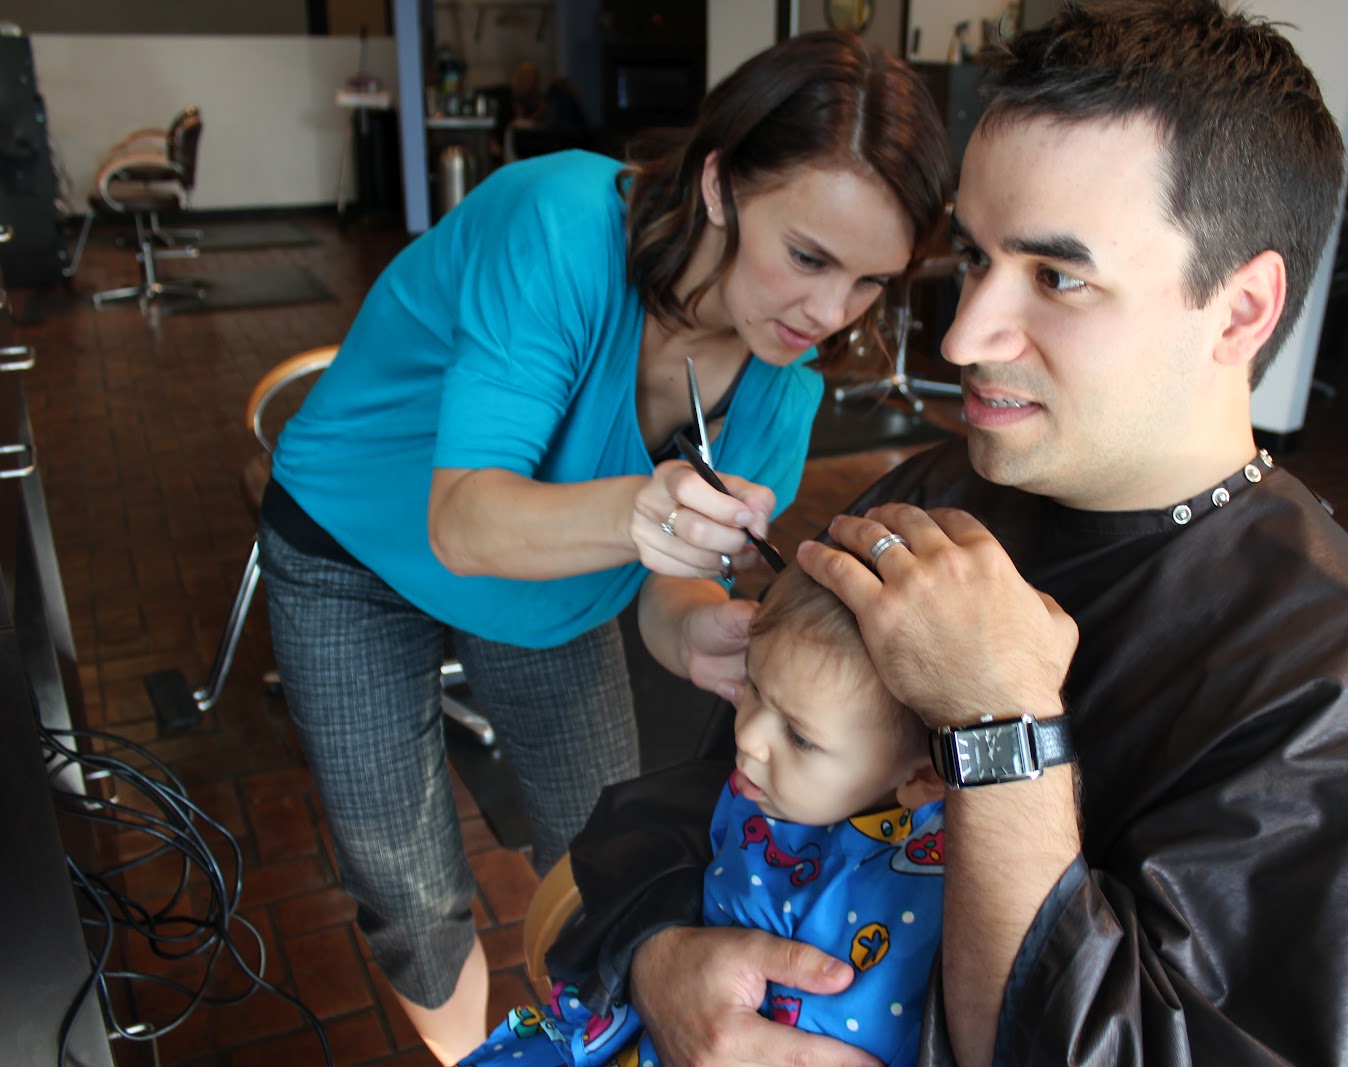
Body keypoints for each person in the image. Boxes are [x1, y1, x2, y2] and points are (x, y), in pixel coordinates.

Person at [542, 3, 1348, 1065]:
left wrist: (1000, 725)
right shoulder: (936, 495)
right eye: (974, 259)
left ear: (1241, 310)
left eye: (1058, 278)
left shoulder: (1339, 702)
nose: (966, 333)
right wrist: (659, 956)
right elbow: (720, 789)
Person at [257, 30, 951, 1064]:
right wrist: (642, 508)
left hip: (550, 581)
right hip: (356, 539)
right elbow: (465, 518)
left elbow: (668, 584)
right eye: (807, 256)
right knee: (406, 885)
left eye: (867, 283)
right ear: (719, 185)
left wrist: (697, 628)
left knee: (600, 846)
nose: (828, 314)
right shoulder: (560, 227)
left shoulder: (781, 386)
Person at [460, 565, 946, 1067]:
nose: (748, 737)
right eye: (753, 687)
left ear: (921, 778)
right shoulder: (774, 788)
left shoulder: (931, 895)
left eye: (799, 737)